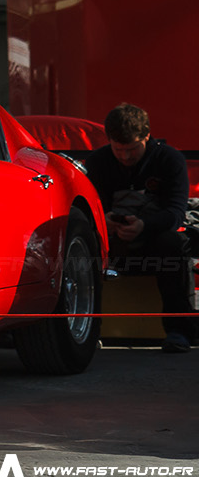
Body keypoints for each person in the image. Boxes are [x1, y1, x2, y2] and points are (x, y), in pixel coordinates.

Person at [85, 103, 198, 353]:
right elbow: (89, 210)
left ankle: (179, 331)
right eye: (118, 150)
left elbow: (176, 212)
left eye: (132, 149)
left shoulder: (169, 159)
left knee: (174, 245)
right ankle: (87, 329)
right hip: (111, 242)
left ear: (147, 136)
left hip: (155, 240)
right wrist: (106, 220)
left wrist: (144, 225)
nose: (125, 157)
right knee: (81, 247)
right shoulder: (97, 162)